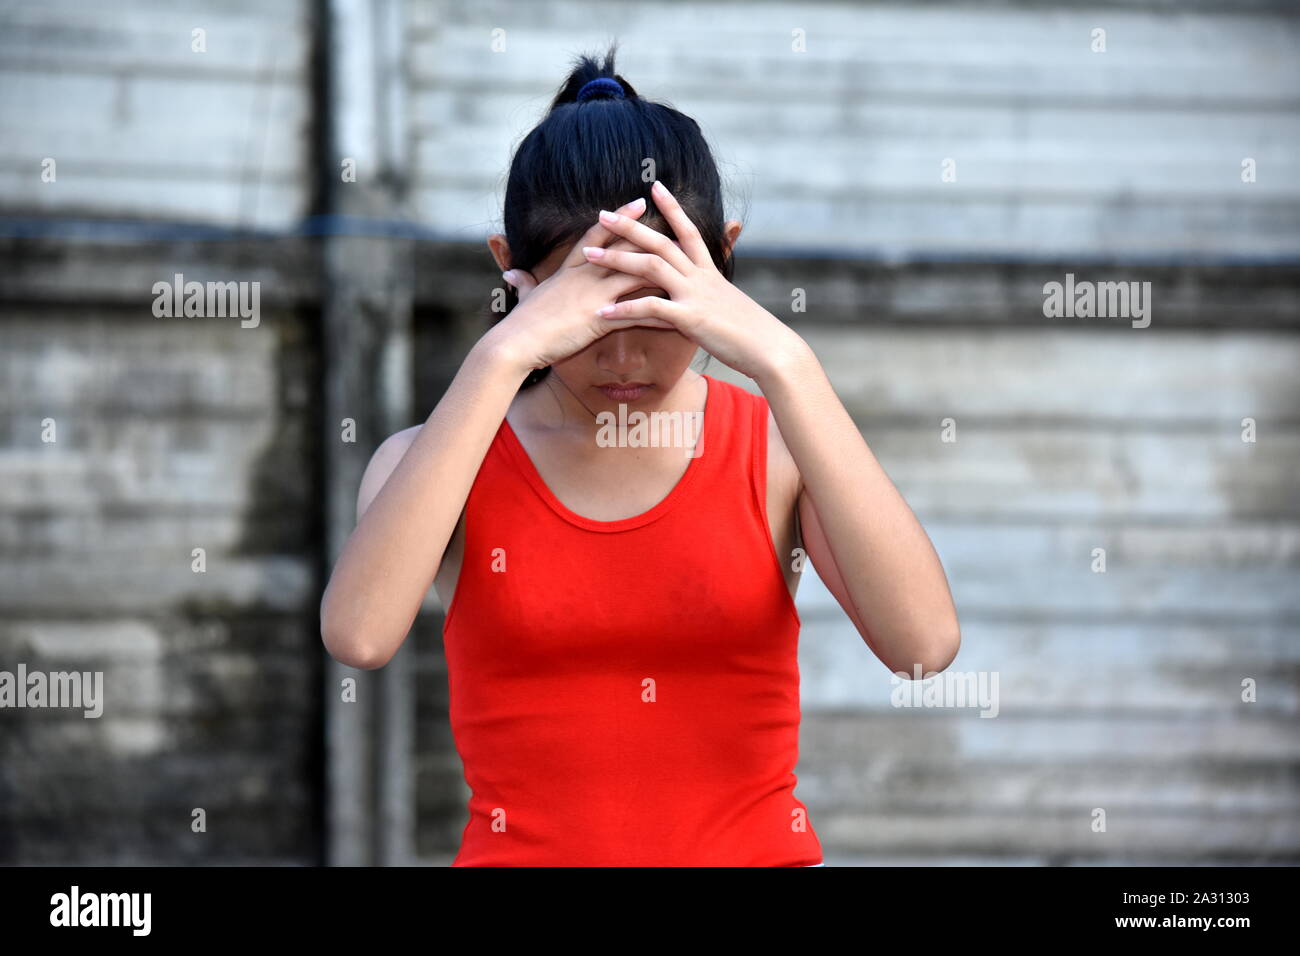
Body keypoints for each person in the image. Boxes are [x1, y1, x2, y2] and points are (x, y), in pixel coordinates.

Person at [319, 45, 960, 866]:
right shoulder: (440, 459)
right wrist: (499, 358)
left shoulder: (777, 450)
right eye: (586, 314)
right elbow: (359, 635)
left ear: (721, 260)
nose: (622, 361)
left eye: (655, 313)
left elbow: (924, 646)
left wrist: (785, 360)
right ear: (508, 272)